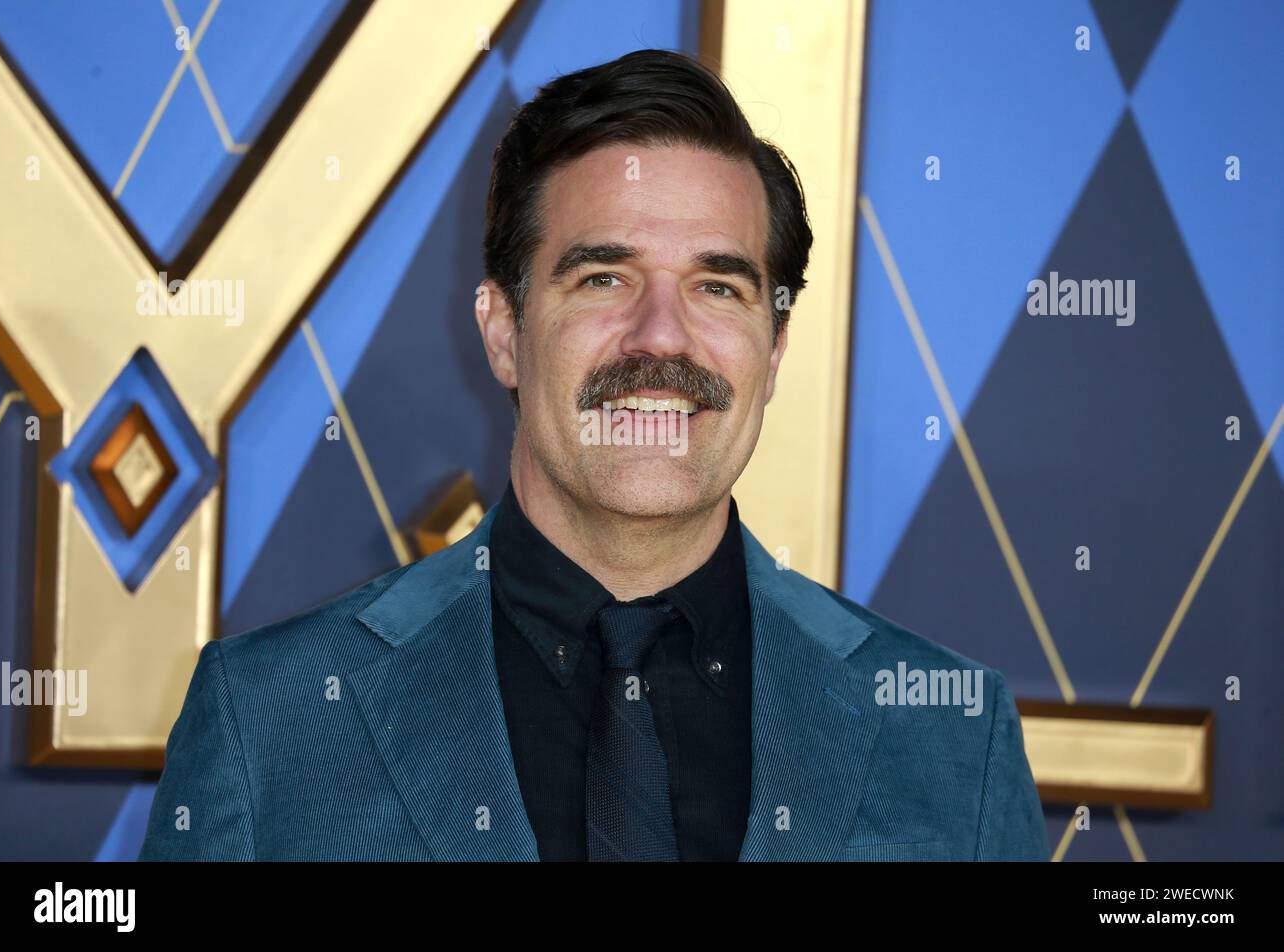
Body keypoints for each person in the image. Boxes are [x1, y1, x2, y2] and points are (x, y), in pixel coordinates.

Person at [139, 49, 1048, 862]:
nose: (663, 338)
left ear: (772, 352)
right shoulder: (270, 718)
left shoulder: (951, 736)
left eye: (718, 286)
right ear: (503, 333)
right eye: (603, 278)